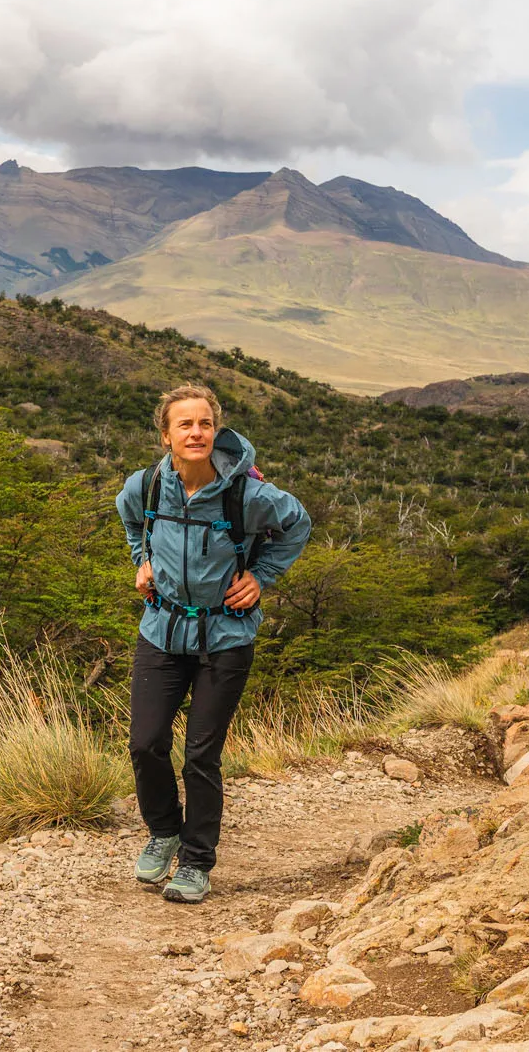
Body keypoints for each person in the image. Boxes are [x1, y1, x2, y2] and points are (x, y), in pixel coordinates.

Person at [115, 383, 312, 903]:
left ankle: (196, 862)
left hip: (225, 636)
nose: (196, 432)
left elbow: (297, 523)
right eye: (185, 424)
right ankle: (164, 832)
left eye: (204, 423)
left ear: (216, 430)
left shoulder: (246, 493)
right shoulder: (148, 486)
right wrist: (143, 558)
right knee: (145, 743)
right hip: (161, 629)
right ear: (166, 435)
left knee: (201, 754)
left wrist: (263, 575)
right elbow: (132, 520)